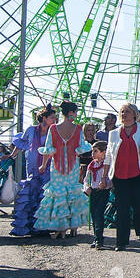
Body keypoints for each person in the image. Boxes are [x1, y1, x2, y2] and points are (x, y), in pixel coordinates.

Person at [34, 101, 92, 240]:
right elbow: (81, 147)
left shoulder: (54, 129)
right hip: (72, 165)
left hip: (57, 166)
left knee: (59, 194)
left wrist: (43, 165)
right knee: (72, 193)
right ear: (71, 113)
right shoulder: (78, 129)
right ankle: (74, 227)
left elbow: (48, 149)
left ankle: (61, 228)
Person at [105, 103, 140, 250]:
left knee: (139, 206)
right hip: (119, 175)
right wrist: (105, 176)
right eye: (122, 112)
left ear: (134, 114)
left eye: (127, 112)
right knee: (122, 208)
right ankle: (121, 242)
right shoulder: (114, 133)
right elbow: (109, 157)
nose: (124, 114)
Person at [10, 105, 56, 236]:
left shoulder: (53, 132)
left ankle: (42, 227)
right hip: (32, 166)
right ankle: (28, 225)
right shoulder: (30, 130)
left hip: (48, 167)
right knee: (31, 193)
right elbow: (20, 144)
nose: (55, 120)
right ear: (44, 118)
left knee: (44, 195)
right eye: (52, 117)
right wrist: (12, 156)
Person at [82, 141, 113, 249]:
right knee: (94, 214)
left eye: (95, 151)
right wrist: (87, 188)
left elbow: (110, 180)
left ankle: (99, 239)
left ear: (103, 153)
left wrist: (106, 184)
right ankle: (96, 237)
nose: (93, 154)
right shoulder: (92, 165)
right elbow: (86, 180)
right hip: (93, 192)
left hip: (103, 191)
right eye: (92, 151)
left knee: (99, 213)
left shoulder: (107, 165)